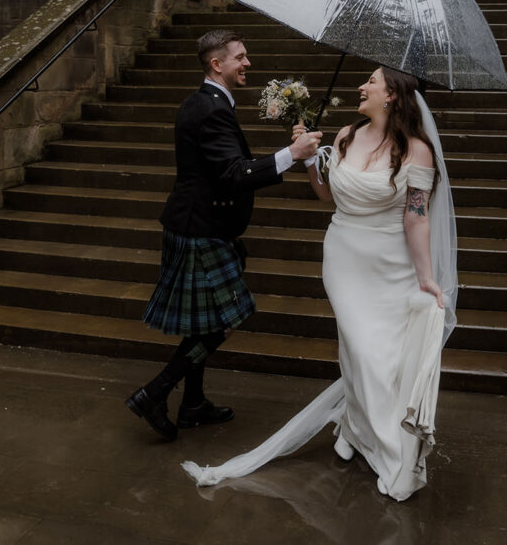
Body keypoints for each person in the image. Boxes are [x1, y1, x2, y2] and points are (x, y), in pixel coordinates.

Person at [182, 67, 457, 502]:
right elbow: (326, 194)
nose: (361, 87)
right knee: (360, 349)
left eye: (371, 83)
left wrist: (427, 278)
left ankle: (366, 433)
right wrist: (311, 159)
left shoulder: (417, 152)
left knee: (377, 356)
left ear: (392, 97)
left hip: (391, 265)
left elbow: (416, 217)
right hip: (344, 259)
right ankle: (373, 438)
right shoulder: (347, 135)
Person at [126, 29, 321, 441]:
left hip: (199, 225)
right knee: (218, 325)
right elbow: (233, 174)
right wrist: (293, 155)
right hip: (200, 229)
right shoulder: (212, 109)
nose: (247, 63)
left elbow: (222, 167)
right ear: (217, 64)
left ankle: (193, 404)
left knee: (203, 324)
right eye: (240, 57)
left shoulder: (205, 103)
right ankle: (155, 393)